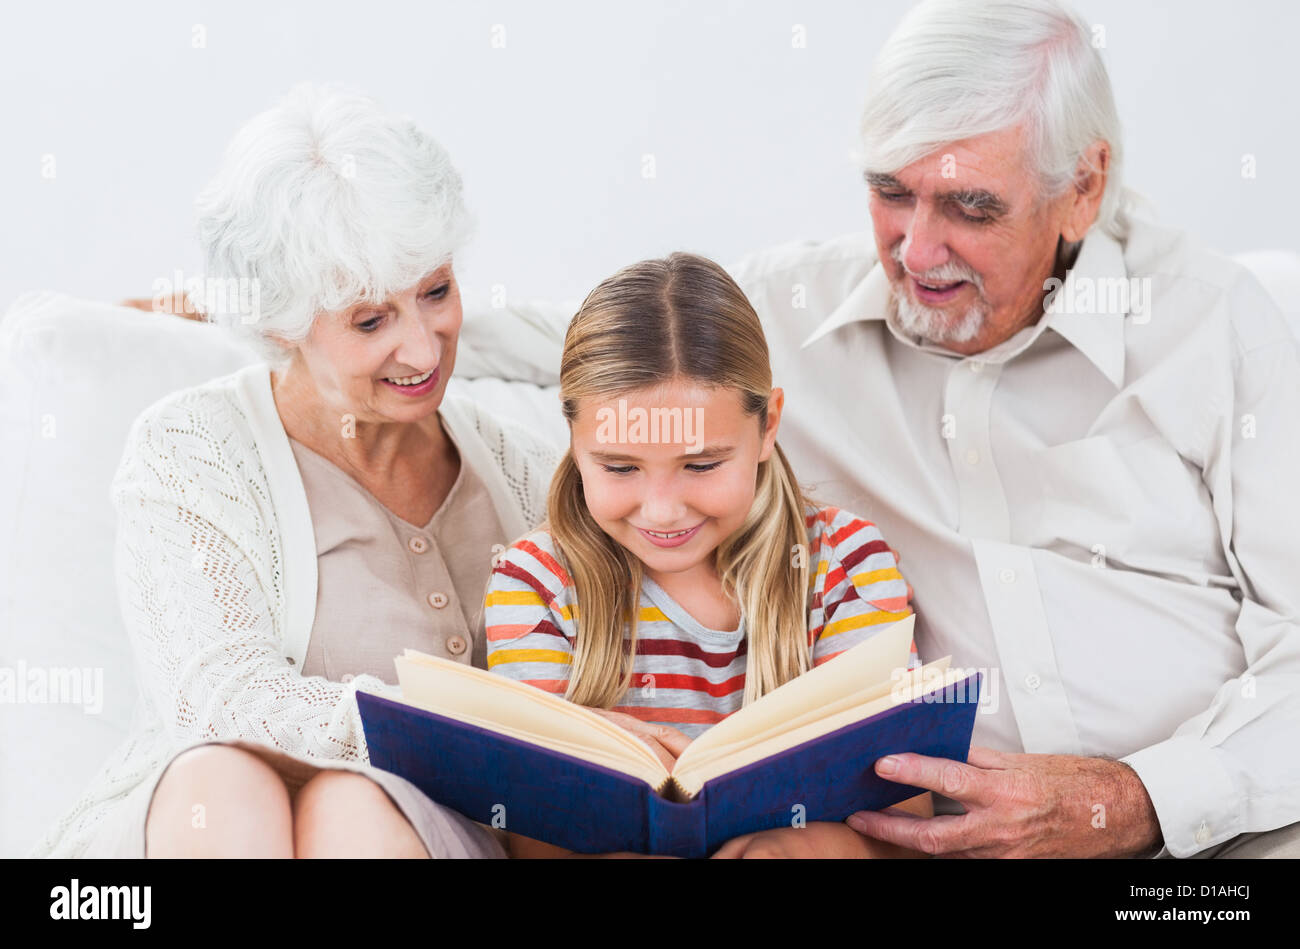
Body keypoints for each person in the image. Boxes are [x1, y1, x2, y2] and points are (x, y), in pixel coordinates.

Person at [467, 0, 1300, 858]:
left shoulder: (1214, 325)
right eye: (891, 193)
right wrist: (364, 337)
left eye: (972, 208)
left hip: (1205, 851)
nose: (918, 252)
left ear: (1082, 187)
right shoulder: (791, 313)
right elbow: (579, 349)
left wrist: (1134, 799)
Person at [30, 83, 560, 858]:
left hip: (413, 836)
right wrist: (476, 724)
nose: (422, 349)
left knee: (357, 809)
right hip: (203, 823)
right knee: (224, 776)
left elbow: (619, 337)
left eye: (437, 292)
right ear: (279, 323)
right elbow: (221, 703)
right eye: (370, 320)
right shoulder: (192, 448)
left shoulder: (523, 470)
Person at [484, 252, 931, 858]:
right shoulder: (533, 582)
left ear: (768, 425)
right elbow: (533, 841)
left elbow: (900, 819)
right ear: (573, 438)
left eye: (700, 465)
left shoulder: (844, 565)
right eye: (620, 467)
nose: (662, 510)